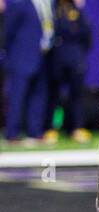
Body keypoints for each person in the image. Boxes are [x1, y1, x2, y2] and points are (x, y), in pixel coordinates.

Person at [3, 0, 52, 144]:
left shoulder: (47, 3)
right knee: (17, 96)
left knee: (39, 97)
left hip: (43, 56)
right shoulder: (19, 3)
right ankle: (12, 134)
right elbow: (8, 31)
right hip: (21, 57)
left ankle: (35, 132)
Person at [45, 0, 90, 142]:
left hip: (75, 61)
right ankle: (54, 127)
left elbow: (86, 35)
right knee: (56, 97)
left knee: (76, 96)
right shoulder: (53, 9)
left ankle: (76, 128)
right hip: (57, 60)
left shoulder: (77, 11)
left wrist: (79, 55)